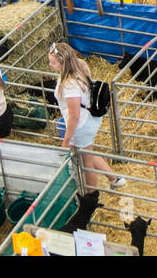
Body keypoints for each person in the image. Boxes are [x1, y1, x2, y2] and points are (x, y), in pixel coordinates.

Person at [49, 42, 124, 190]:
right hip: (89, 119)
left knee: (87, 164)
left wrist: (66, 140)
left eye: (53, 62)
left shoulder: (69, 85)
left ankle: (91, 198)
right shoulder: (80, 66)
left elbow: (74, 115)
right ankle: (114, 179)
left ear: (63, 63)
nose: (50, 64)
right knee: (87, 152)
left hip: (81, 125)